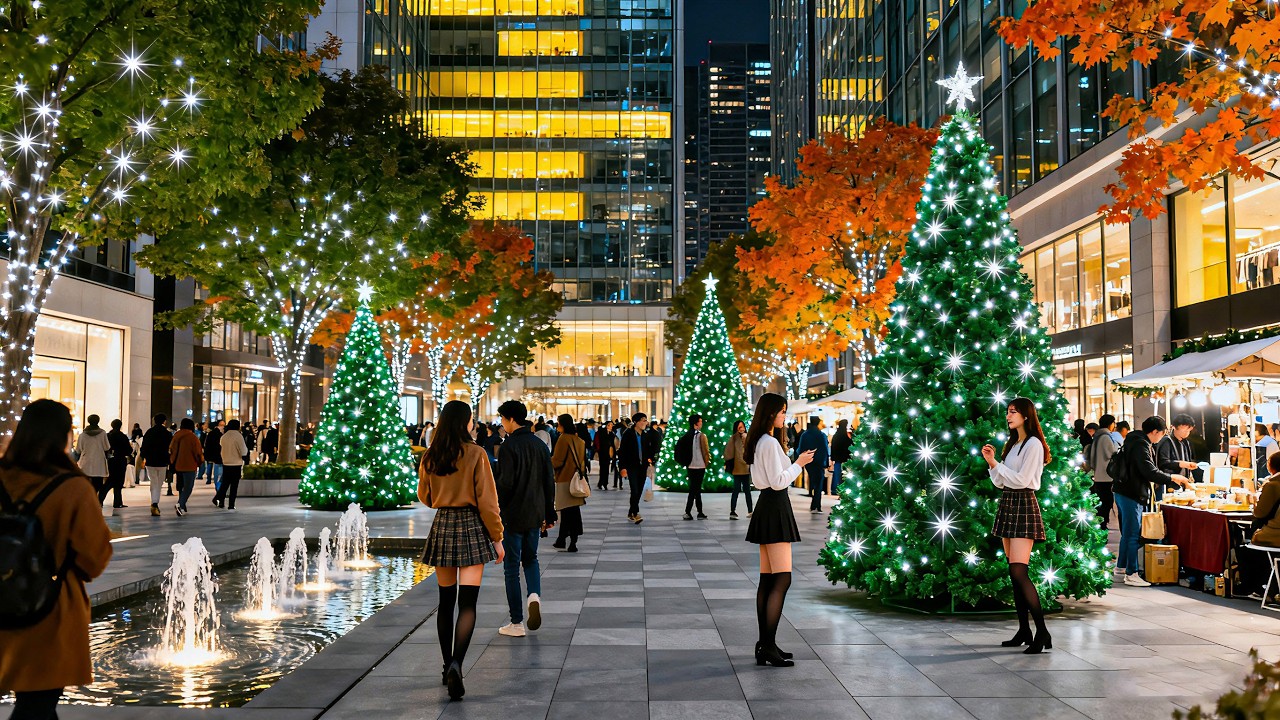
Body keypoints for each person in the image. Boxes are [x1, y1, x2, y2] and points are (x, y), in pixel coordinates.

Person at [0, 400, 113, 720]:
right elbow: (94, 559)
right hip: (48, 608)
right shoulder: (72, 487)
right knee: (36, 706)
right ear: (64, 436)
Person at [418, 400, 505, 701]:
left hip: (443, 526)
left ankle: (445, 667)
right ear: (465, 422)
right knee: (468, 604)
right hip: (471, 527)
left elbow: (425, 497)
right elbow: (488, 502)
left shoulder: (432, 454)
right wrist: (497, 538)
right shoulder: (476, 453)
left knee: (445, 601)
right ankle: (457, 663)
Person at [744, 392, 813, 668]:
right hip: (775, 507)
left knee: (768, 580)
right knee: (782, 579)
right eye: (782, 412)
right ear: (770, 413)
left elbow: (773, 476)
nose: (785, 416)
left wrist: (795, 459)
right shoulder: (769, 442)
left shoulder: (763, 441)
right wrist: (800, 464)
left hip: (767, 508)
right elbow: (777, 482)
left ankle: (766, 644)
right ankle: (768, 645)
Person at [981, 397, 1053, 655]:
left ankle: (1042, 631)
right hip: (1008, 502)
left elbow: (1023, 479)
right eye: (1007, 412)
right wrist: (992, 464)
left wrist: (997, 466)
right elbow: (1001, 483)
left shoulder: (1033, 444)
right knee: (1013, 574)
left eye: (1013, 412)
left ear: (1025, 415)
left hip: (1023, 503)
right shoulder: (1014, 444)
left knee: (1019, 572)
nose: (1008, 416)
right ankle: (1024, 630)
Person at [493, 400, 556, 638]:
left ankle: (516, 622)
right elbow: (548, 481)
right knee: (531, 559)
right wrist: (549, 513)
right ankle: (534, 596)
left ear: (510, 419)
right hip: (535, 514)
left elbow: (506, 484)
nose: (502, 424)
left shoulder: (509, 446)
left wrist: (497, 510)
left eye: (502, 419)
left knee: (511, 567)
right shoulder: (539, 445)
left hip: (512, 514)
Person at [1114, 416, 1191, 587]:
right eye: (1162, 434)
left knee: (1127, 532)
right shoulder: (1141, 444)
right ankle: (1131, 573)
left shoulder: (1135, 440)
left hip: (1124, 491)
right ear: (1155, 432)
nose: (1161, 438)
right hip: (1131, 493)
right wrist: (1173, 477)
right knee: (1133, 533)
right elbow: (1149, 471)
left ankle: (1121, 567)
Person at [551, 414, 587, 551]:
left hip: (565, 479)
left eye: (558, 423)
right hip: (576, 479)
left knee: (566, 511)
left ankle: (567, 540)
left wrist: (546, 462)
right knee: (573, 510)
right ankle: (566, 539)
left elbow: (558, 461)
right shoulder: (579, 441)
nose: (557, 426)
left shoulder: (563, 439)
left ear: (563, 424)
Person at [618, 412, 655, 524]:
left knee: (638, 490)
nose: (645, 422)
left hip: (642, 466)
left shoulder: (645, 435)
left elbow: (649, 450)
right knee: (634, 490)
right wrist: (622, 467)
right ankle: (635, 513)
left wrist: (650, 461)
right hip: (631, 466)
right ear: (636, 422)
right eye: (643, 420)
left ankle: (631, 512)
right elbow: (622, 451)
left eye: (646, 420)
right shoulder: (628, 434)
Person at [1085, 414, 1120, 530]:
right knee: (1106, 502)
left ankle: (1102, 524)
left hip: (1100, 475)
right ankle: (1102, 525)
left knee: (1104, 502)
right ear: (1110, 424)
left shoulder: (1098, 436)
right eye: (1114, 423)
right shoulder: (1105, 437)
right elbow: (1111, 454)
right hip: (1106, 476)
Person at [1158, 414, 1199, 502]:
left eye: (1189, 430)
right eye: (1184, 429)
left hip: (1182, 486)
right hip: (1169, 485)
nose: (1187, 433)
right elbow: (1163, 463)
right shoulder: (1166, 441)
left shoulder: (1186, 443)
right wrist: (1183, 464)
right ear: (1174, 427)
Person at [137, 414, 172, 517]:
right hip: (162, 461)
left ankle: (154, 503)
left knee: (154, 482)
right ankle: (155, 503)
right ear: (164, 421)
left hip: (151, 461)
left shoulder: (149, 432)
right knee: (159, 483)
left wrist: (143, 457)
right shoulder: (167, 433)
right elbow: (170, 448)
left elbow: (144, 446)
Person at [168, 418, 204, 516]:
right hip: (190, 465)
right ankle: (180, 504)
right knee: (188, 487)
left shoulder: (176, 436)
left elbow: (171, 449)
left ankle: (182, 506)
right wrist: (200, 462)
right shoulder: (193, 437)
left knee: (181, 486)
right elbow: (198, 452)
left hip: (178, 465)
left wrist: (172, 461)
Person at [75, 415, 111, 508]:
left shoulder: (82, 435)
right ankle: (95, 500)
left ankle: (88, 500)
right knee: (98, 483)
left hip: (85, 462)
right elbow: (107, 447)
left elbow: (78, 449)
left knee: (86, 483)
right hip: (98, 462)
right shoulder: (102, 433)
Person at [796, 417, 831, 513]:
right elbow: (824, 449)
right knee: (819, 482)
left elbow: (800, 448)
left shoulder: (805, 435)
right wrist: (826, 462)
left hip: (808, 461)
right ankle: (817, 505)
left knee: (812, 479)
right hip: (819, 462)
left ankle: (813, 503)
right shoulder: (821, 435)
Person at [213, 419, 249, 511]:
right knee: (234, 485)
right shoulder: (238, 436)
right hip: (236, 463)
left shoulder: (224, 436)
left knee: (225, 483)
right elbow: (244, 451)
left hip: (226, 462)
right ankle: (231, 504)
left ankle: (219, 499)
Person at [681, 414, 711, 521]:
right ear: (696, 424)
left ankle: (697, 512)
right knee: (695, 489)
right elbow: (706, 451)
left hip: (691, 466)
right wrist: (706, 462)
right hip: (700, 466)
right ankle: (690, 512)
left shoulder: (687, 436)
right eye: (700, 421)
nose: (701, 423)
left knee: (695, 489)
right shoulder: (701, 436)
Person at [725, 419, 753, 519]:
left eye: (743, 427)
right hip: (738, 469)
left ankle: (750, 510)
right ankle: (733, 511)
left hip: (744, 469)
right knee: (738, 490)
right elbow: (730, 453)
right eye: (739, 427)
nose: (741, 429)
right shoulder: (734, 438)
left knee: (745, 491)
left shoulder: (744, 438)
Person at [1251, 452, 1280, 547]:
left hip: (1273, 536)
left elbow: (1259, 513)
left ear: (1271, 466)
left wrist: (1254, 501)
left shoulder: (1272, 486)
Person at [105, 419, 133, 510]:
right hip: (120, 460)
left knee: (110, 480)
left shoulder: (108, 436)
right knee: (119, 481)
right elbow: (129, 450)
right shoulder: (123, 436)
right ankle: (117, 502)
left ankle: (100, 498)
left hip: (110, 460)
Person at [830, 419, 852, 494]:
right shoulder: (846, 437)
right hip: (846, 460)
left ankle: (838, 491)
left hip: (838, 460)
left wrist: (832, 458)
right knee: (844, 477)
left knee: (838, 477)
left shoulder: (836, 436)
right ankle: (843, 492)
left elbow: (833, 448)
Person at [595, 420, 617, 490]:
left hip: (609, 453)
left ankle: (605, 483)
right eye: (610, 425)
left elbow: (613, 443)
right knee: (602, 468)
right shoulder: (602, 432)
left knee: (606, 468)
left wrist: (614, 454)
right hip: (602, 452)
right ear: (607, 425)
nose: (612, 426)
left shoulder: (612, 433)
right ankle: (601, 482)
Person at [203, 419, 224, 489]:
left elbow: (207, 444)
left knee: (216, 470)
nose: (223, 427)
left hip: (215, 456)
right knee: (219, 471)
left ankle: (216, 484)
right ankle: (218, 487)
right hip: (219, 456)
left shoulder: (211, 433)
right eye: (221, 425)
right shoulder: (221, 434)